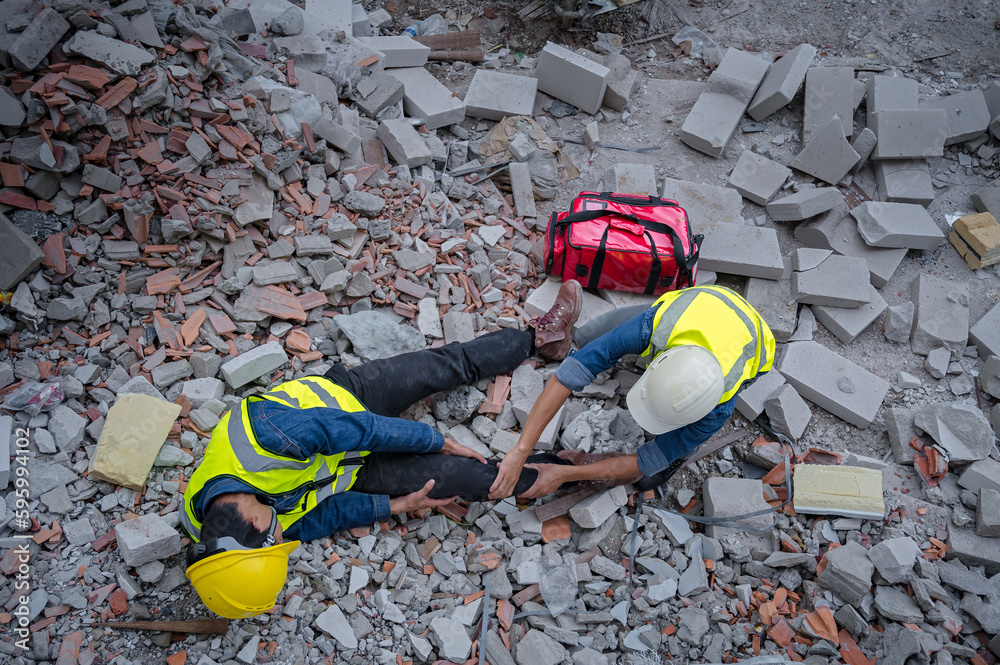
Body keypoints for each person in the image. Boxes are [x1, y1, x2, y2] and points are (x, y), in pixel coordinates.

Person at [180, 282, 591, 619]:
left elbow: (364, 430)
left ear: (251, 522)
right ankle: (573, 468)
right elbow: (320, 517)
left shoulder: (267, 440)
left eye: (276, 537)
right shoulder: (224, 534)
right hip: (354, 470)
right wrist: (394, 507)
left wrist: (437, 440)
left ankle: (540, 338)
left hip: (348, 402)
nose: (285, 535)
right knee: (471, 481)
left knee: (444, 366)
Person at [491, 283, 776, 500]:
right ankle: (559, 342)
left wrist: (565, 474)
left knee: (648, 477)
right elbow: (568, 376)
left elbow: (644, 461)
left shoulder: (718, 409)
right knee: (587, 338)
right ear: (655, 364)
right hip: (702, 303)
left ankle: (683, 446)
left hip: (754, 337)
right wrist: (520, 450)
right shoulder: (656, 327)